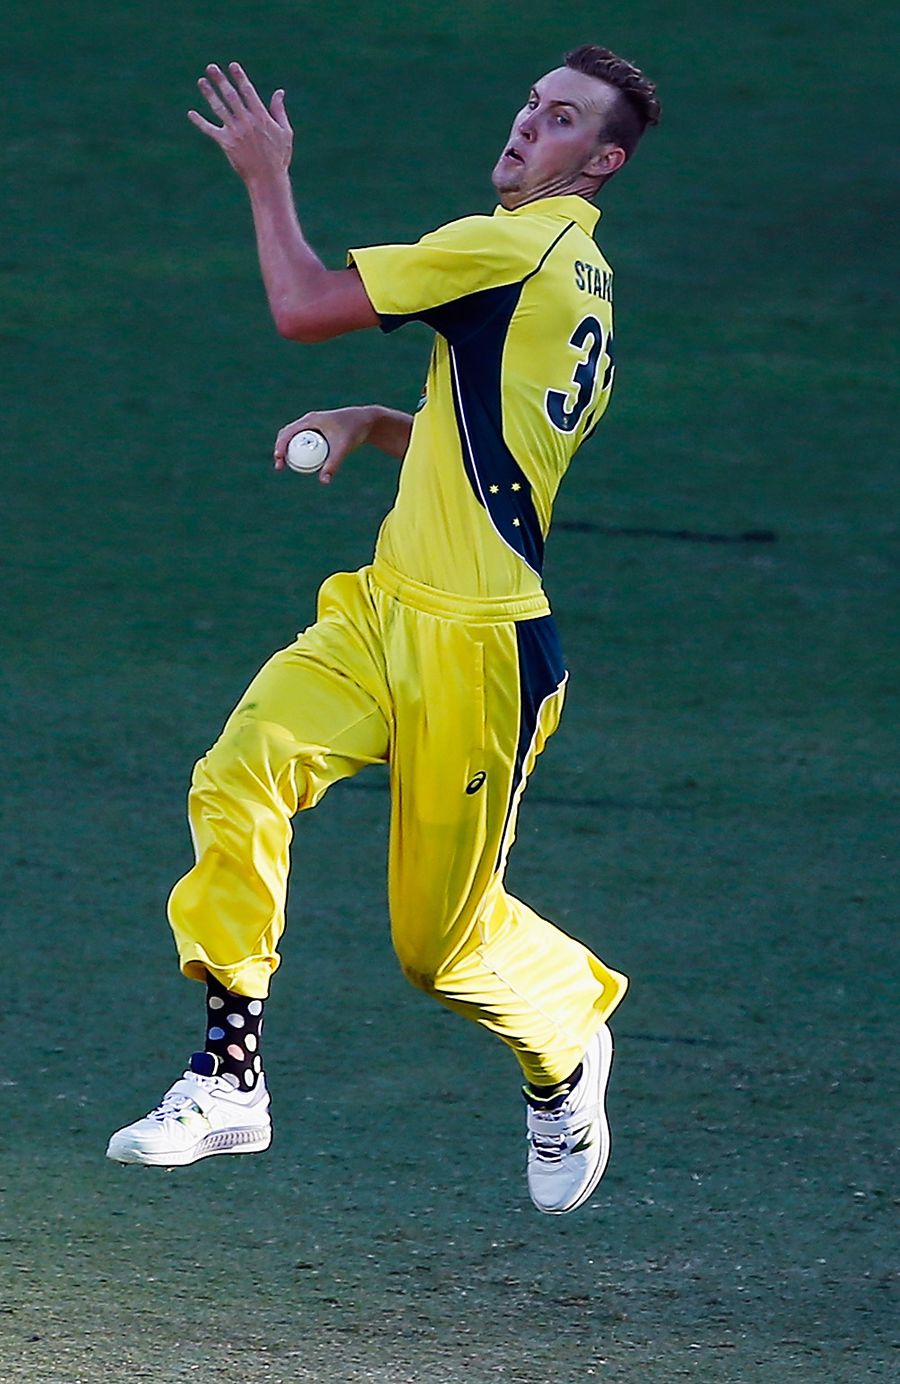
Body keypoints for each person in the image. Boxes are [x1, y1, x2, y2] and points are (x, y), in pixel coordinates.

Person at [106, 45, 660, 1215]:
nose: (526, 127)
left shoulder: (506, 244)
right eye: (529, 103)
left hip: (484, 651)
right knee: (240, 772)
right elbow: (488, 431)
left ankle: (565, 1031)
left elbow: (304, 307)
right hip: (384, 606)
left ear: (600, 163)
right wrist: (376, 418)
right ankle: (229, 1074)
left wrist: (266, 174)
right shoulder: (581, 275)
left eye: (561, 122)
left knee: (441, 951)